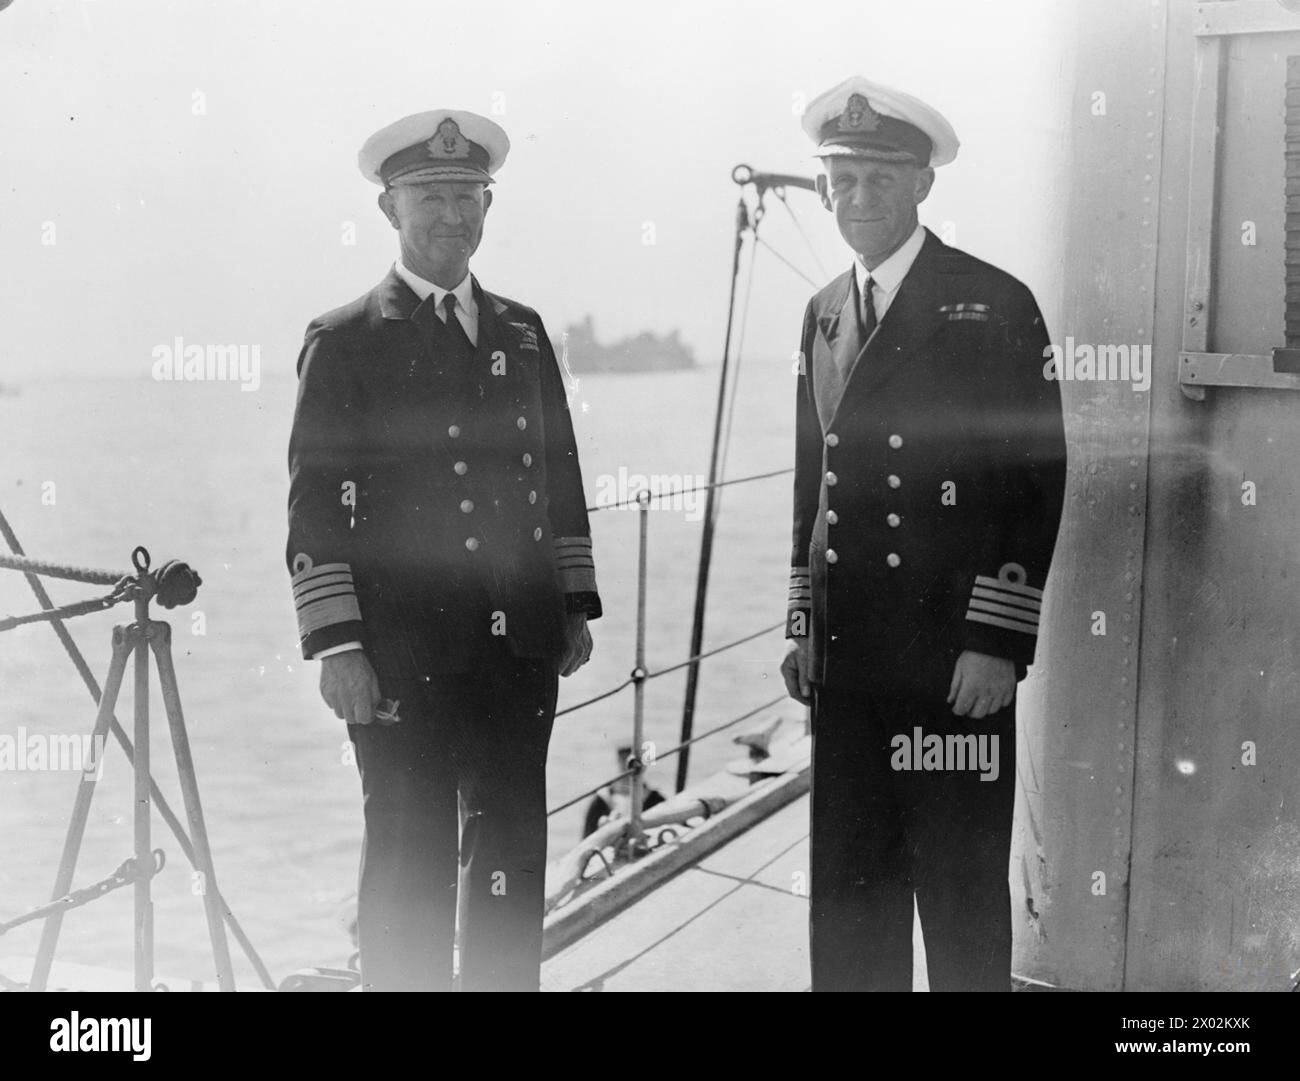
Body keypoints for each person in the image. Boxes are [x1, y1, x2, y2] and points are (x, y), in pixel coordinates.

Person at [285, 108, 601, 992]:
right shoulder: (345, 341)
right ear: (390, 208)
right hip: (400, 655)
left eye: (468, 195)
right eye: (430, 196)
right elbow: (317, 505)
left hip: (518, 651)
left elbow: (560, 474)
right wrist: (338, 645)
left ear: (487, 206)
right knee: (408, 864)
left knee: (510, 859)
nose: (451, 214)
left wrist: (572, 602)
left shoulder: (524, 331)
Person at [779, 77, 1067, 991]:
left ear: (922, 186)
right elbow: (809, 483)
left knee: (958, 897)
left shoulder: (992, 303)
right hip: (850, 659)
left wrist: (995, 641)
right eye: (843, 179)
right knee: (851, 897)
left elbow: (1035, 480)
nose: (859, 198)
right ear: (824, 188)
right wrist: (800, 622)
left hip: (952, 663)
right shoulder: (823, 311)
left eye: (880, 178)